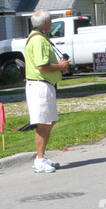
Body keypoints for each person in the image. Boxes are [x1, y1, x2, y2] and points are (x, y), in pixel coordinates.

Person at [24, 10, 70, 173]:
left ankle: (42, 157)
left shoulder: (38, 38)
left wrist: (58, 69)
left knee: (49, 121)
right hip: (39, 86)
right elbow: (42, 65)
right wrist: (61, 66)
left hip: (43, 84)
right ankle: (39, 160)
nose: (51, 23)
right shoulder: (39, 41)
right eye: (49, 21)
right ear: (44, 23)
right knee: (43, 123)